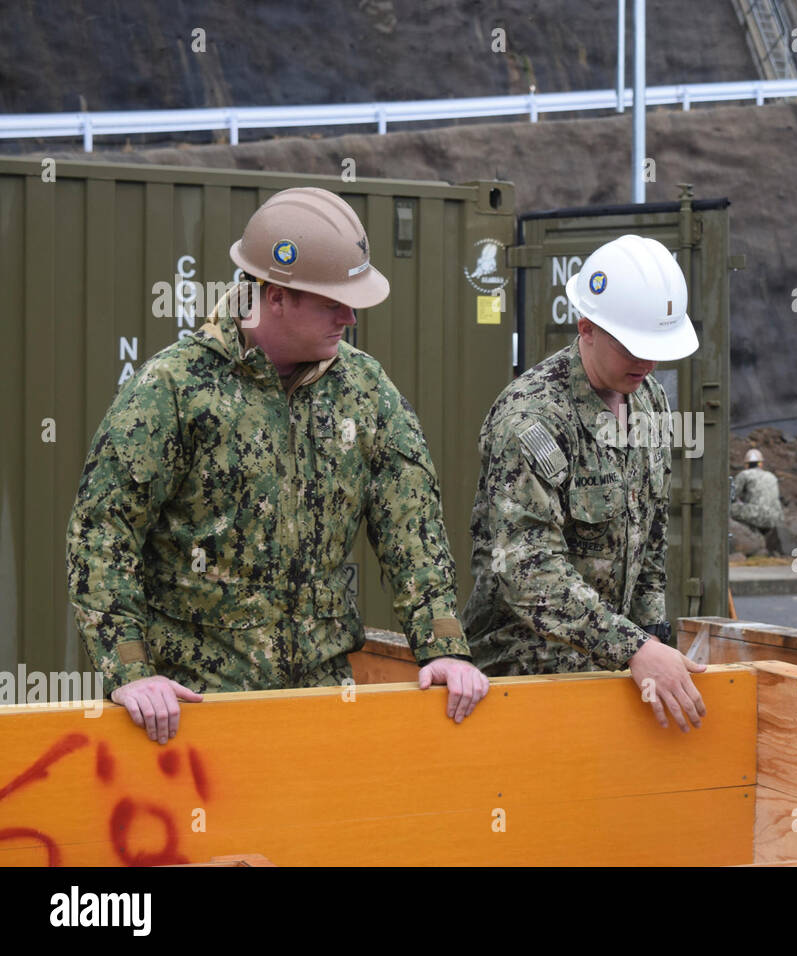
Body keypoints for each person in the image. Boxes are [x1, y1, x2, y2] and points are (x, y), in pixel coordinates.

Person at [67, 187, 489, 745]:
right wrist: (130, 672)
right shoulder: (174, 389)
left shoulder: (364, 391)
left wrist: (444, 647)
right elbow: (102, 531)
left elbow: (411, 529)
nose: (351, 316)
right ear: (275, 296)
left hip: (321, 711)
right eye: (331, 302)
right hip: (194, 717)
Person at [462, 235, 707, 732]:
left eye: (656, 349)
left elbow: (652, 538)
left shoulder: (650, 402)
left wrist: (653, 637)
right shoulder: (532, 418)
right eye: (633, 347)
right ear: (587, 328)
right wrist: (634, 647)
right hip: (524, 678)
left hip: (613, 676)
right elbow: (528, 572)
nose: (647, 363)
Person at [730, 448, 784, 537]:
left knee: (729, 508)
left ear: (746, 464)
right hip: (775, 519)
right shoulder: (772, 476)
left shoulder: (744, 474)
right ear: (760, 463)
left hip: (757, 516)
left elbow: (732, 496)